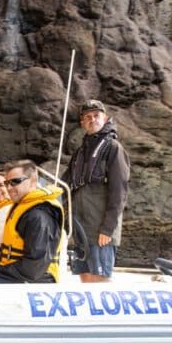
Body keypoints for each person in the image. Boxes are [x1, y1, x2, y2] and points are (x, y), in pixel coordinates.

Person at [63, 99, 130, 283]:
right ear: (82, 123)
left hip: (100, 229)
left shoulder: (114, 148)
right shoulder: (79, 153)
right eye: (87, 117)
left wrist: (107, 229)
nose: (92, 119)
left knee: (100, 278)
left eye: (96, 116)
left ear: (105, 118)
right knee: (84, 276)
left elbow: (119, 192)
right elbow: (64, 185)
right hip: (80, 228)